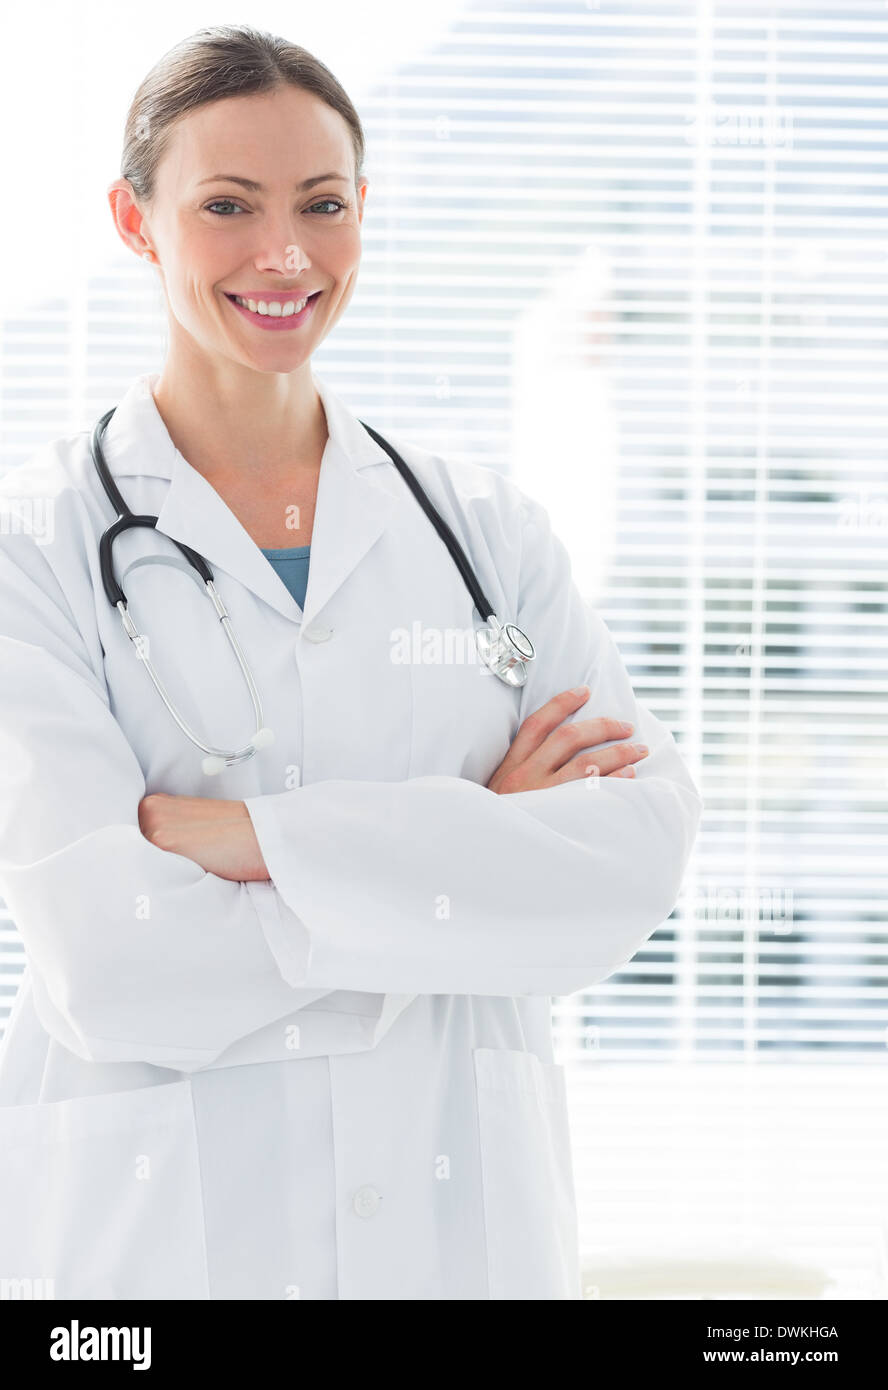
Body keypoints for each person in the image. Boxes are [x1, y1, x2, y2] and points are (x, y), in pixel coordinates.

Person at [0, 24, 702, 1300]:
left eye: (323, 204)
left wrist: (253, 843)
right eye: (227, 204)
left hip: (460, 1240)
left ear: (364, 212)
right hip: (159, 1257)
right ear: (133, 219)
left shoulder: (485, 531)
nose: (285, 253)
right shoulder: (36, 549)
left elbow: (635, 855)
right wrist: (472, 854)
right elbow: (109, 964)